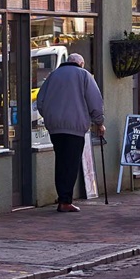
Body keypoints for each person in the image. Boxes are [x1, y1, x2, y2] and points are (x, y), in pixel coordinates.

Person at [36, 53, 105, 213]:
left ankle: (62, 198)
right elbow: (95, 102)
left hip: (55, 127)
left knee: (61, 161)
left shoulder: (53, 76)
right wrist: (99, 122)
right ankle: (65, 201)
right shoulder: (84, 75)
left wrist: (50, 116)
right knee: (71, 163)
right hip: (75, 127)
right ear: (81, 64)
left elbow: (40, 101)